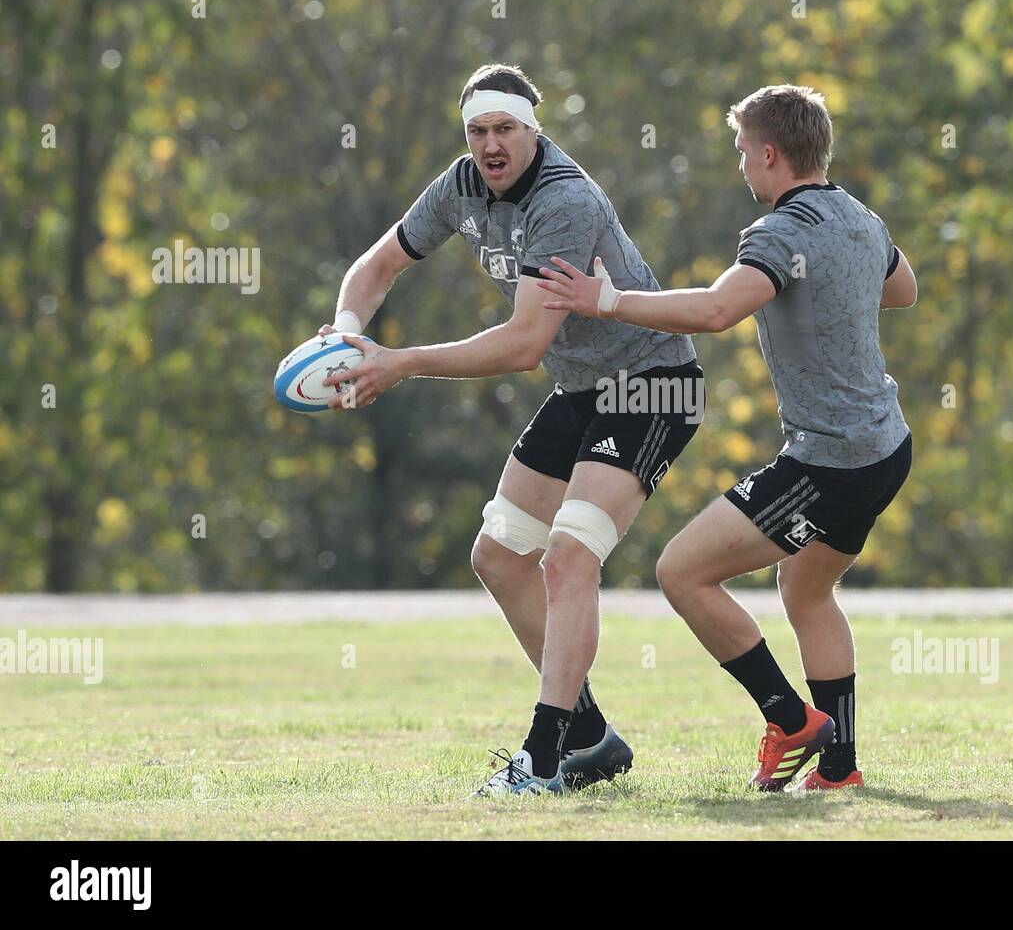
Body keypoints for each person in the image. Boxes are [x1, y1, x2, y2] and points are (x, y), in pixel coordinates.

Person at [320, 64, 704, 795]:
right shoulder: (461, 184)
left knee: (567, 556)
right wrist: (345, 336)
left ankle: (546, 756)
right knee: (497, 555)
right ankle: (590, 736)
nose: (491, 145)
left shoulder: (566, 199)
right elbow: (377, 265)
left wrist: (400, 362)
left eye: (505, 130)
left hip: (651, 383)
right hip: (583, 388)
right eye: (477, 131)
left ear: (534, 129)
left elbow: (525, 342)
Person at [538, 84, 916, 792]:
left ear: (770, 154)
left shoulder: (779, 232)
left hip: (829, 461)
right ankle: (839, 767)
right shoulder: (861, 217)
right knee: (806, 589)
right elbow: (905, 289)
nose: (740, 163)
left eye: (743, 150)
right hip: (886, 447)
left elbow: (715, 310)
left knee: (681, 570)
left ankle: (791, 718)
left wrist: (606, 299)